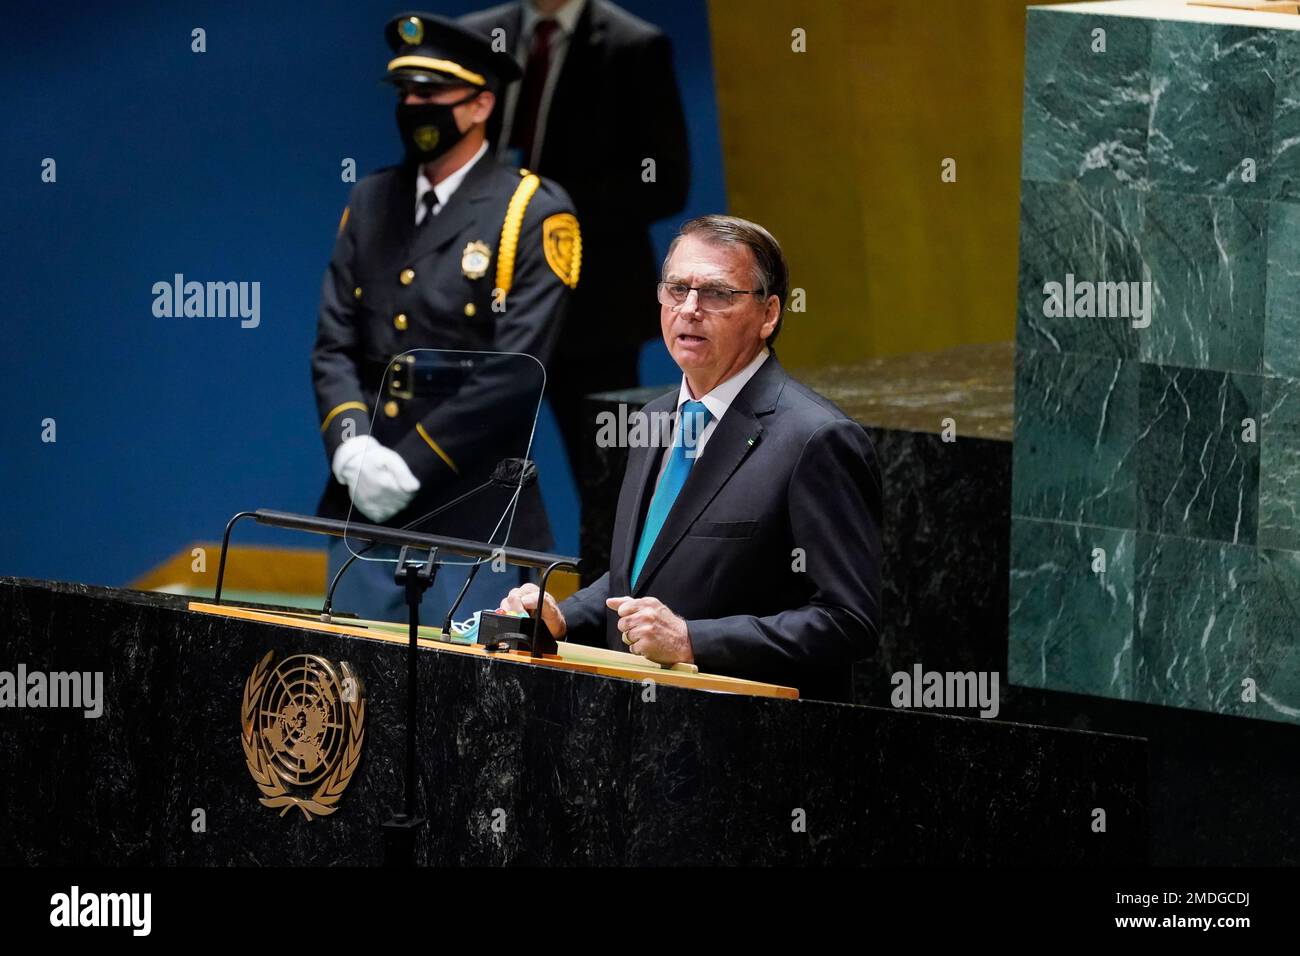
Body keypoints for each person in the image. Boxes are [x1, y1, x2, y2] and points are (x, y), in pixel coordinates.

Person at [499, 215, 881, 702]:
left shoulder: (816, 439)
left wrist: (692, 640)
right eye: (676, 289)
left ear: (768, 315)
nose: (690, 309)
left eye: (718, 294)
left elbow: (848, 621)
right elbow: (639, 579)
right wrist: (563, 617)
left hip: (749, 743)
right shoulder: (655, 418)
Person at [312, 12, 580, 623]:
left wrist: (412, 464)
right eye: (405, 93)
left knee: (465, 708)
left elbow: (516, 373)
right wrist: (353, 451)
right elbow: (334, 346)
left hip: (473, 514)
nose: (413, 106)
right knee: (353, 697)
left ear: (481, 103)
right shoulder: (371, 199)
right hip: (363, 509)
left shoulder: (529, 212)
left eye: (431, 93)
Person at [461, 0, 690, 482]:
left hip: (592, 312)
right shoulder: (473, 38)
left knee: (610, 484)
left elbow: (665, 182)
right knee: (474, 480)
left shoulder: (634, 45)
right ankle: (494, 564)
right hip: (476, 302)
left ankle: (621, 563)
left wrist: (541, 212)